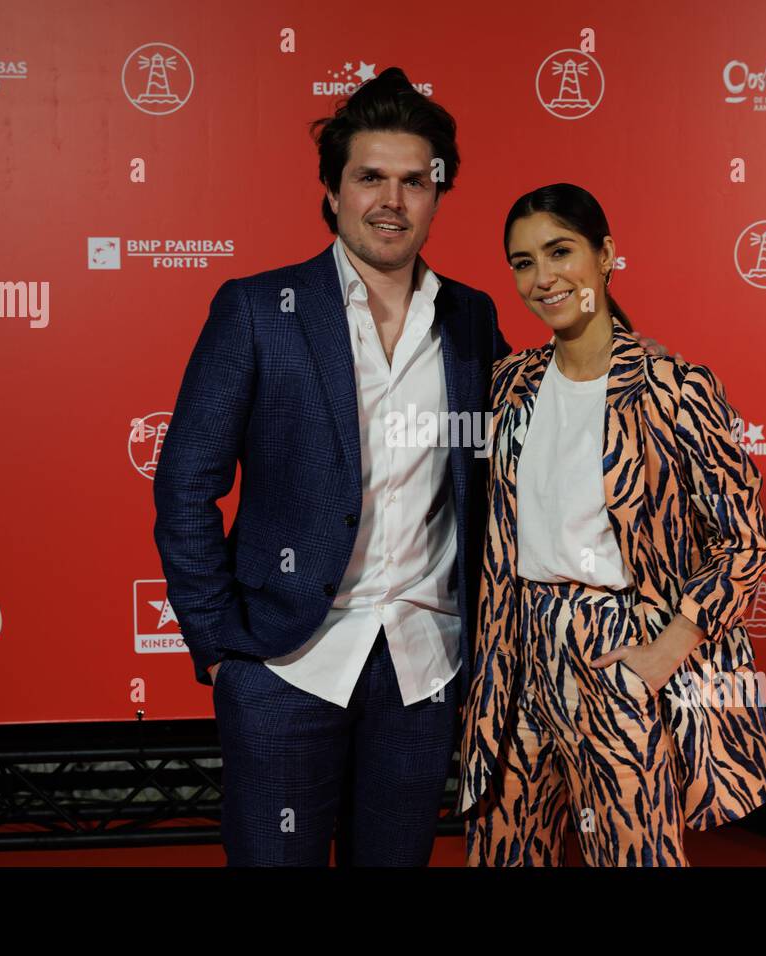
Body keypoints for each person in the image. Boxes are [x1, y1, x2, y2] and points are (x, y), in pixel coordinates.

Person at [152, 67, 511, 865]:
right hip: (285, 664)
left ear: (438, 193)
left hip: (422, 666)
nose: (394, 200)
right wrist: (221, 646)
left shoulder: (471, 319)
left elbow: (504, 471)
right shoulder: (257, 309)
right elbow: (185, 482)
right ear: (333, 191)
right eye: (371, 178)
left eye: (416, 181)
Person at [456, 183, 766, 866]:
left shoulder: (673, 387)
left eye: (559, 251)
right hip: (515, 652)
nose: (543, 278)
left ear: (605, 255)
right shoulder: (508, 384)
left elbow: (744, 540)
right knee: (501, 851)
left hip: (617, 646)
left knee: (634, 855)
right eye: (522, 263)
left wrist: (663, 654)